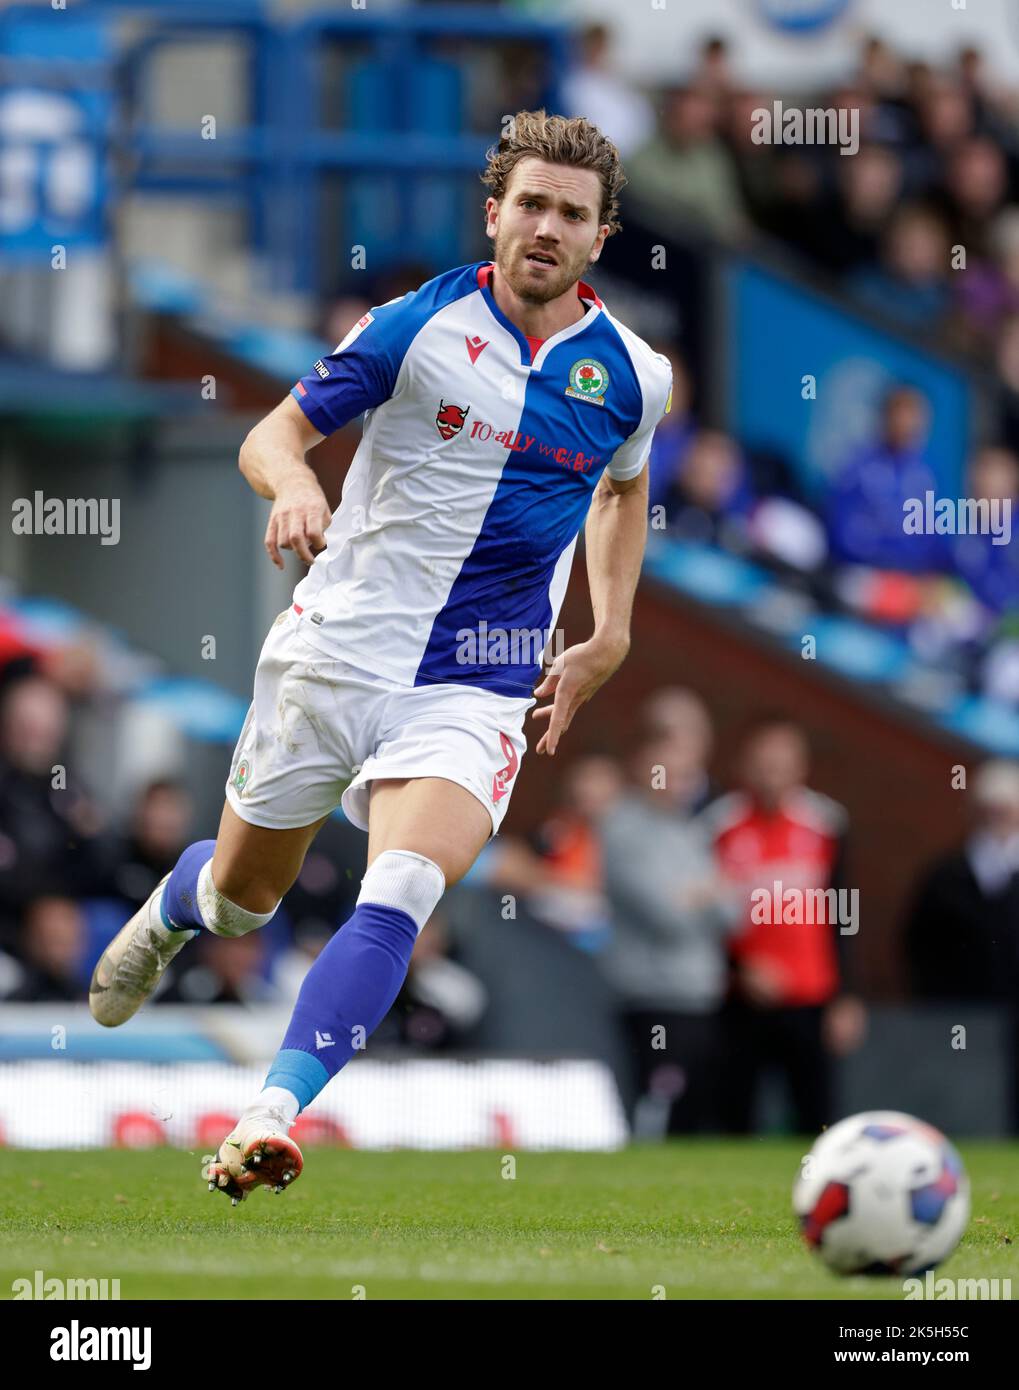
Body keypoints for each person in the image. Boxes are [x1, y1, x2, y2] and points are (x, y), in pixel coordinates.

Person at [88, 110, 673, 1203]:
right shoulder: (414, 325)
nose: (547, 227)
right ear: (492, 214)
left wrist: (611, 628)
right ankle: (179, 906)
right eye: (531, 205)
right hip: (340, 649)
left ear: (599, 239)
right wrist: (299, 482)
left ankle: (266, 1113)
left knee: (401, 881)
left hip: (480, 678)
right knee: (246, 900)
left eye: (572, 214)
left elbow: (625, 485)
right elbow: (274, 433)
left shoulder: (632, 378)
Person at [707, 718, 864, 1134]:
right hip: (744, 998)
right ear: (746, 764)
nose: (772, 770)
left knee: (819, 1119)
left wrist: (845, 994)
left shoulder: (826, 824)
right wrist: (739, 968)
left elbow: (844, 910)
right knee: (735, 1116)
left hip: (810, 995)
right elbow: (706, 917)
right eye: (764, 760)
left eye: (783, 760)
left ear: (801, 766)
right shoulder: (718, 826)